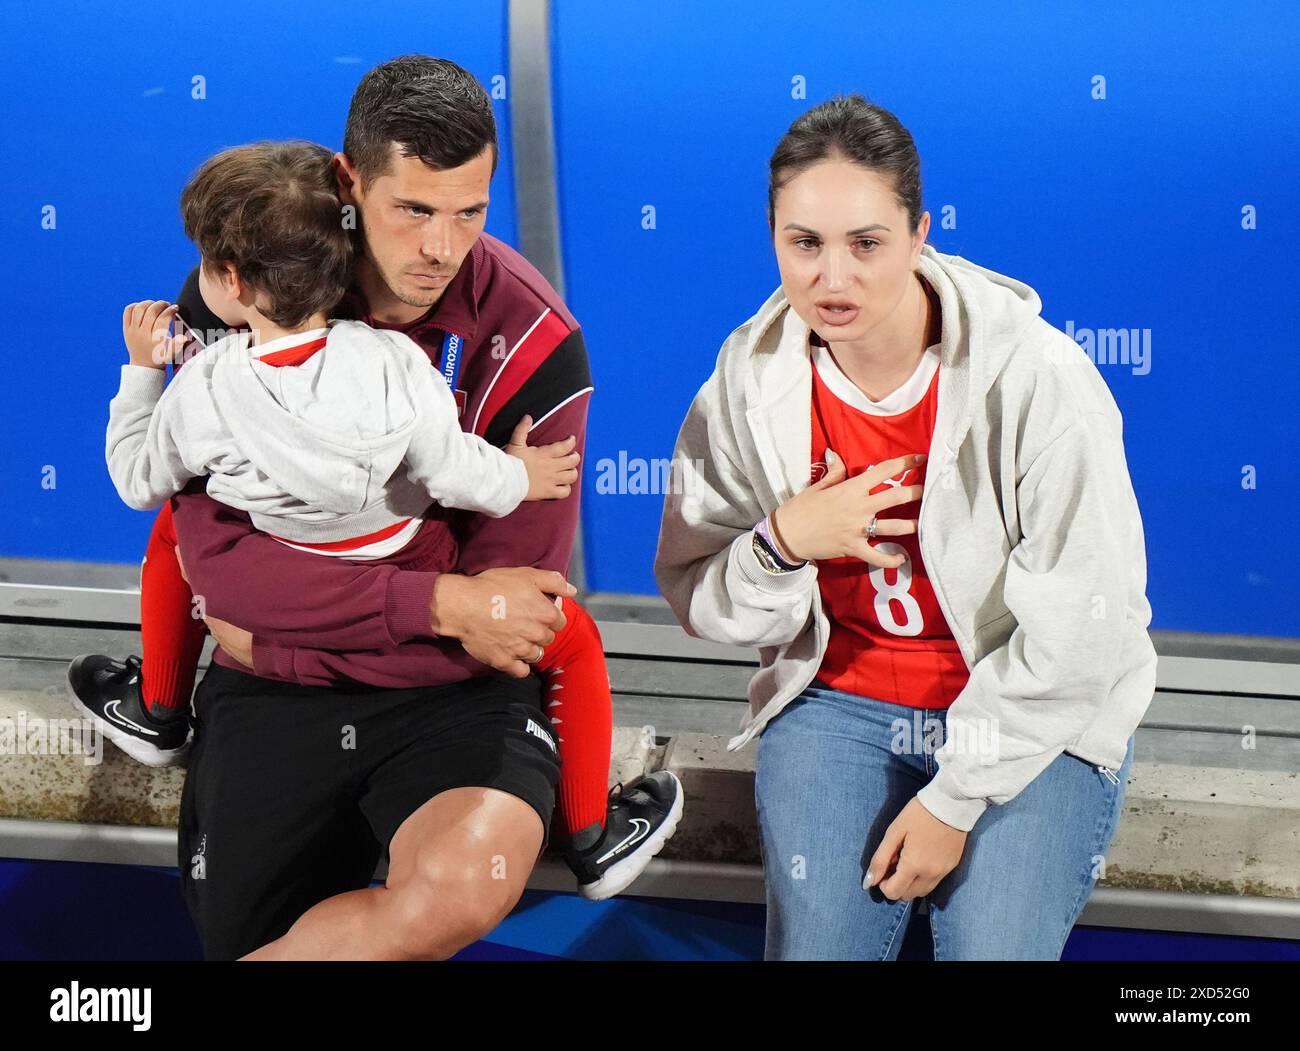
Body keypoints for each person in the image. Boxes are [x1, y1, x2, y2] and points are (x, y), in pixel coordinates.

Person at [69, 56, 681, 959]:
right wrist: (432, 599)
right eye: (415, 210)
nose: (443, 247)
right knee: (242, 933)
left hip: (447, 699)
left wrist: (275, 629)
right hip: (280, 689)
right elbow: (216, 558)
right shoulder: (248, 269)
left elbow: (507, 615)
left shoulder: (539, 345)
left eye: (471, 212)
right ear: (350, 184)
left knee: (461, 884)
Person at [654, 94, 1157, 960]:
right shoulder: (744, 386)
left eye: (867, 243)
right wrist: (781, 541)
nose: (833, 278)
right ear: (773, 236)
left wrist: (954, 799)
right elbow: (700, 595)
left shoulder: (1038, 379)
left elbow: (1084, 632)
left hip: (1026, 711)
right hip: (838, 702)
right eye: (803, 243)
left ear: (920, 232)